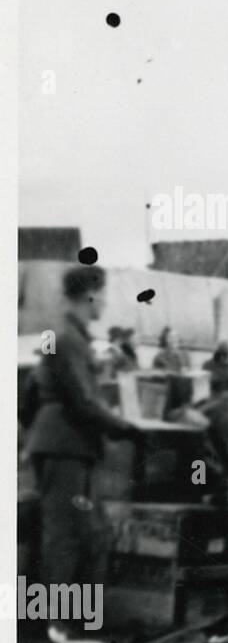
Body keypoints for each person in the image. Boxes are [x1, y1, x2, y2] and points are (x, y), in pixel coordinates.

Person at [24, 266, 139, 621]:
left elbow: (30, 391)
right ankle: (56, 622)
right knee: (66, 532)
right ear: (89, 294)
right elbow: (83, 400)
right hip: (66, 443)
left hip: (60, 440)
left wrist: (39, 430)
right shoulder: (68, 338)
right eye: (103, 294)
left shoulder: (58, 334)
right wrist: (126, 428)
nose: (105, 302)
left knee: (75, 529)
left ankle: (63, 618)